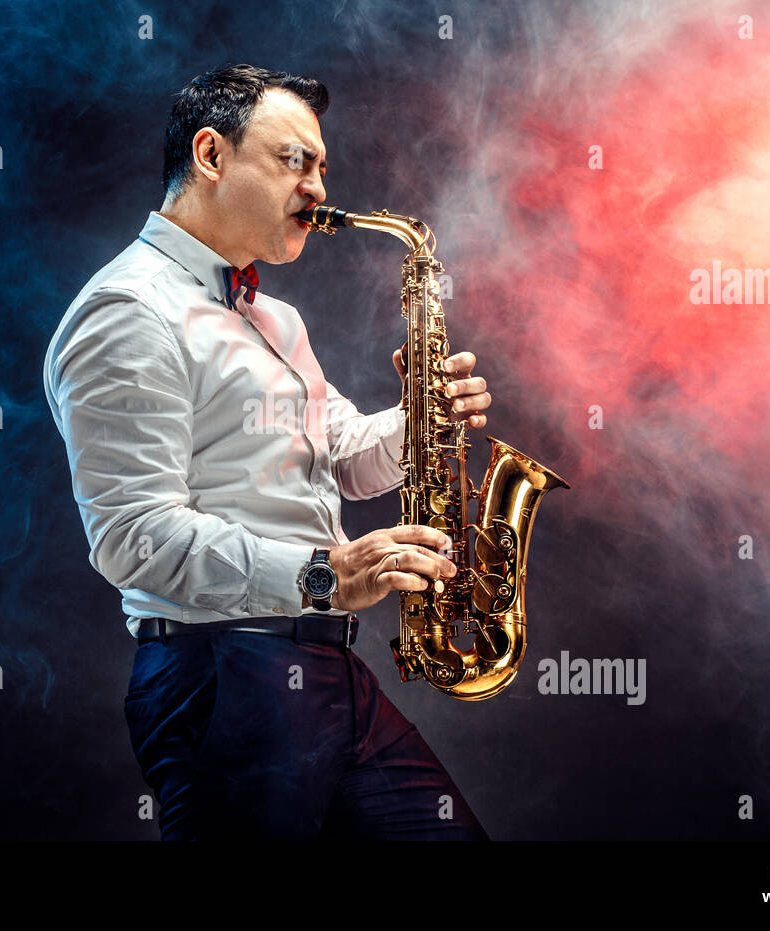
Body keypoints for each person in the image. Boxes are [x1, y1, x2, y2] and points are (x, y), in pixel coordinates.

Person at [43, 63, 494, 840]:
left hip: (327, 668)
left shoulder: (275, 318)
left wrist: (420, 416)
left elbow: (345, 457)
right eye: (296, 161)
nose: (319, 187)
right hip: (223, 675)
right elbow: (133, 537)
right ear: (211, 155)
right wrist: (326, 573)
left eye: (322, 166)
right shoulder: (128, 312)